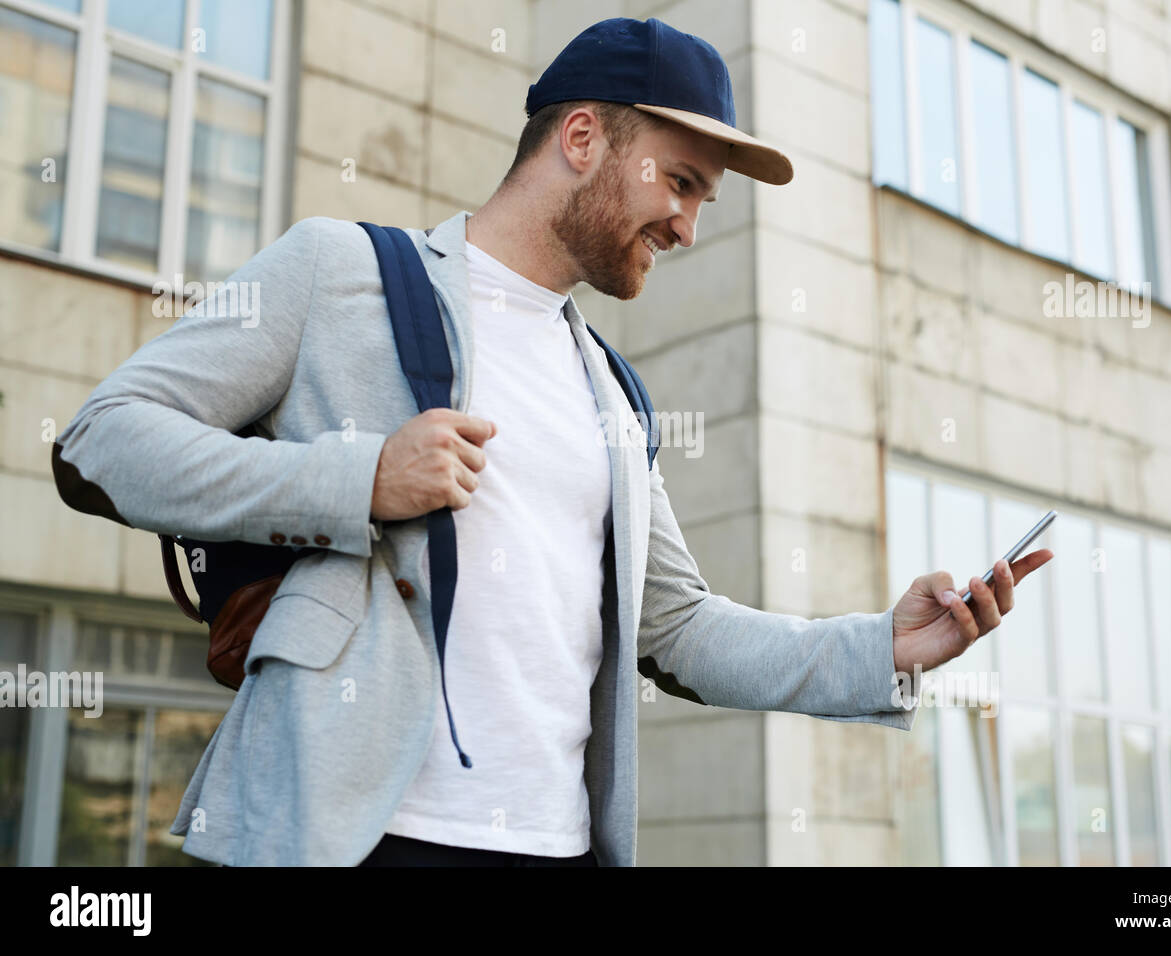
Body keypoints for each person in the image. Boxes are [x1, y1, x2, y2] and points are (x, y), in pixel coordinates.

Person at [51, 17, 1051, 868]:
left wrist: (881, 646)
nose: (689, 226)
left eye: (705, 199)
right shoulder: (336, 269)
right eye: (683, 182)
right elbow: (101, 441)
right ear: (581, 136)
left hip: (554, 843)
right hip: (350, 834)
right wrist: (358, 477)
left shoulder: (612, 391)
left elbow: (678, 630)